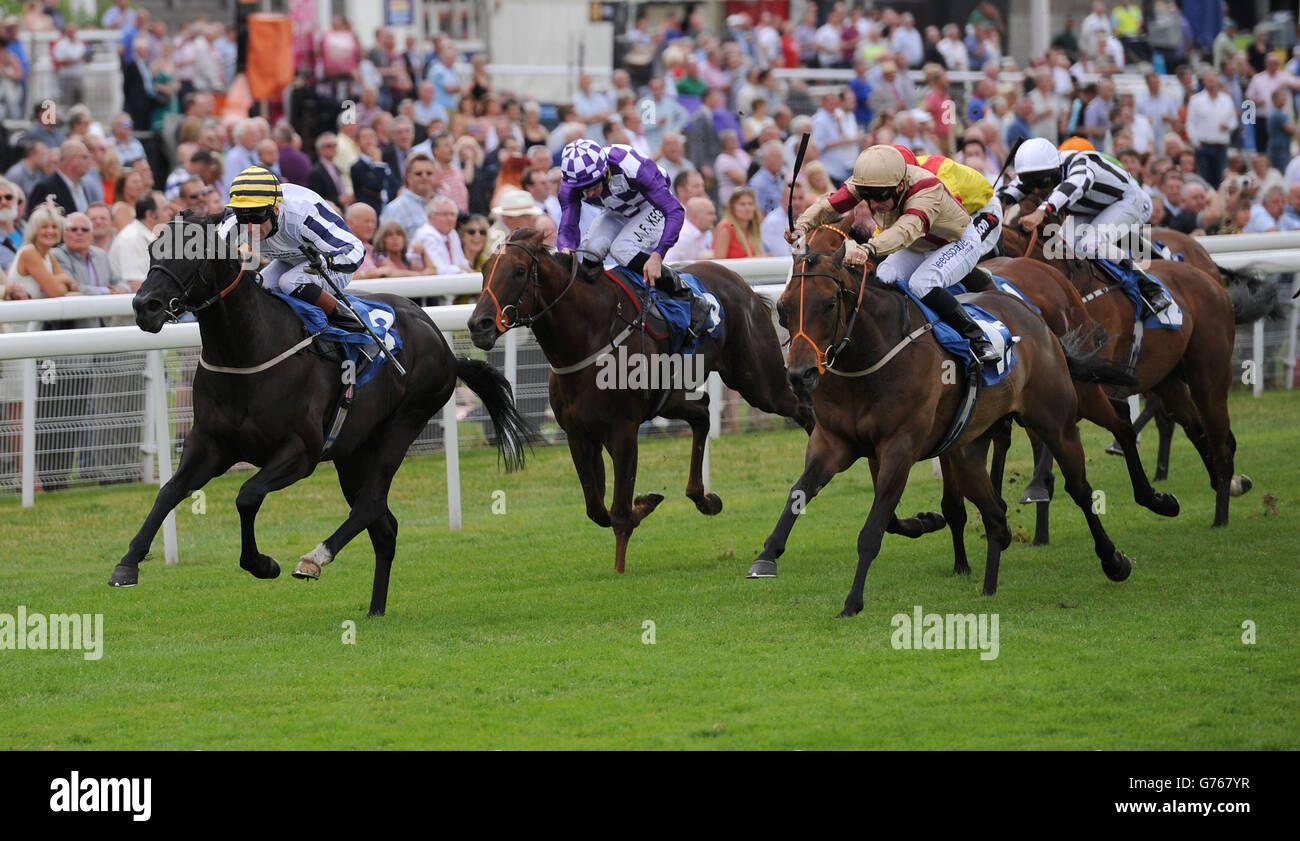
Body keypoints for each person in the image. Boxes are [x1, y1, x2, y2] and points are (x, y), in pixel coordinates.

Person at [790, 144, 1000, 365]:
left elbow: (904, 231)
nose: (873, 204)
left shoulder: (927, 189)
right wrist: (801, 226)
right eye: (867, 198)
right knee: (884, 275)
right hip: (920, 244)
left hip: (957, 241)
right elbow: (829, 205)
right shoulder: (871, 181)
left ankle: (978, 340)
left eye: (880, 197)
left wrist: (868, 248)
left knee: (922, 283)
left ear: (900, 186)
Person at [999, 137, 1172, 318]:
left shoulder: (1081, 163)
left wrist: (1042, 210)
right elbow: (1012, 190)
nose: (1035, 191)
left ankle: (1151, 287)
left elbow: (1074, 185)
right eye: (1030, 185)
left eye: (1041, 183)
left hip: (1126, 200)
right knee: (1059, 249)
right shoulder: (1043, 170)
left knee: (1090, 245)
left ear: (1056, 170)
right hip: (1088, 208)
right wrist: (998, 202)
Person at [557, 138, 710, 335]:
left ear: (605, 171)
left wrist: (658, 255)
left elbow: (675, 211)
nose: (590, 193)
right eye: (583, 189)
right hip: (616, 209)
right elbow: (568, 229)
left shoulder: (633, 167)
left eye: (593, 185)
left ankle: (689, 297)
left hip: (651, 205)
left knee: (622, 249)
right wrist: (565, 249)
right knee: (590, 252)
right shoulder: (569, 186)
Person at [218, 165, 367, 331]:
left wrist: (327, 260)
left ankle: (355, 325)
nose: (251, 228)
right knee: (258, 286)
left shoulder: (303, 214)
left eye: (256, 217)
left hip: (331, 267)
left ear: (275, 210)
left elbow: (355, 248)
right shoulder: (233, 225)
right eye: (244, 218)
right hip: (288, 261)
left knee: (289, 281)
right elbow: (205, 257)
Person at [894, 145, 1001, 257]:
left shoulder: (937, 174)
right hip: (959, 213)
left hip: (981, 209)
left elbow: (954, 219)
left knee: (959, 257)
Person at [712, 186, 764, 258]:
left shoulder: (753, 228)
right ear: (732, 207)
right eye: (742, 204)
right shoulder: (725, 228)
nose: (747, 208)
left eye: (750, 204)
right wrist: (755, 259)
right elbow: (719, 263)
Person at [664, 196, 716, 263]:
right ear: (694, 216)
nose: (714, 218)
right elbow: (666, 264)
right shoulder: (683, 236)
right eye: (710, 214)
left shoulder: (698, 233)